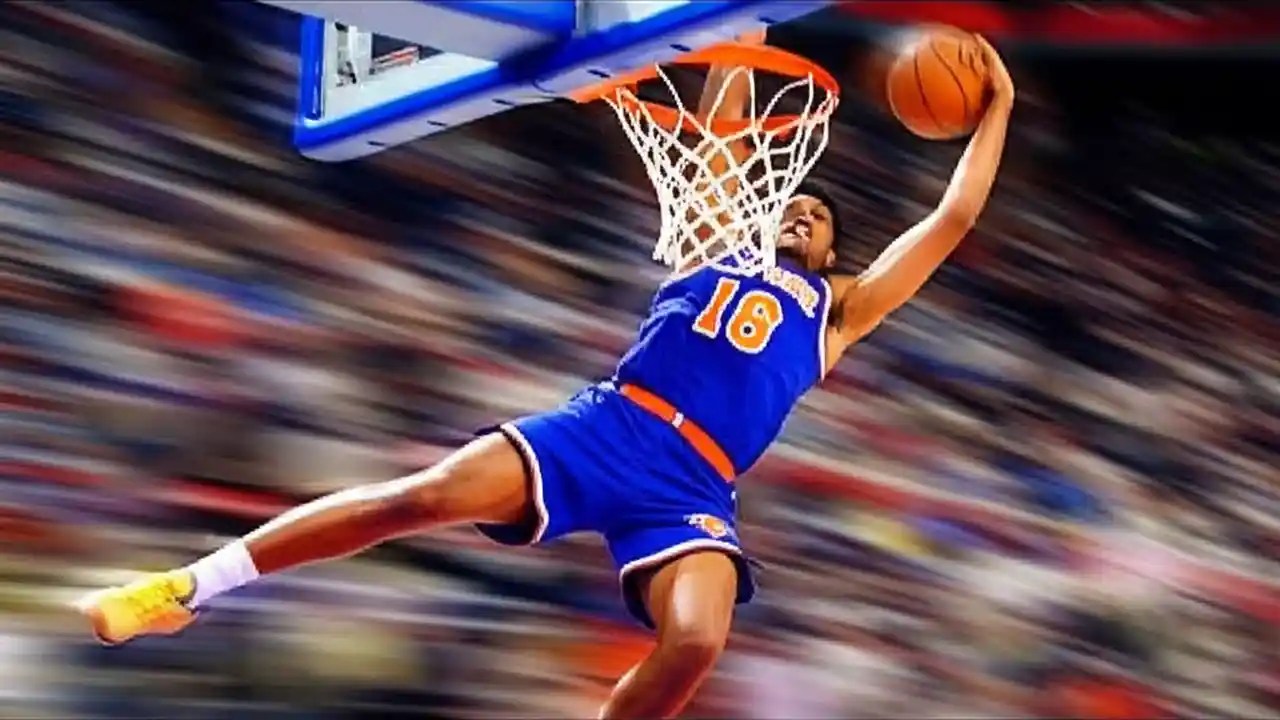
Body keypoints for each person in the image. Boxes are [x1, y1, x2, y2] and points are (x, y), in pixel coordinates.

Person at [78, 32, 1015, 720]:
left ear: (833, 248)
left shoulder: (839, 314)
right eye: (796, 204)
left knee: (696, 640)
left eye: (818, 217)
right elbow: (728, 112)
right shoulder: (717, 237)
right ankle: (186, 588)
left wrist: (998, 109)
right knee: (418, 498)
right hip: (608, 427)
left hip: (692, 486)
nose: (802, 213)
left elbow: (952, 220)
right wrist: (743, 25)